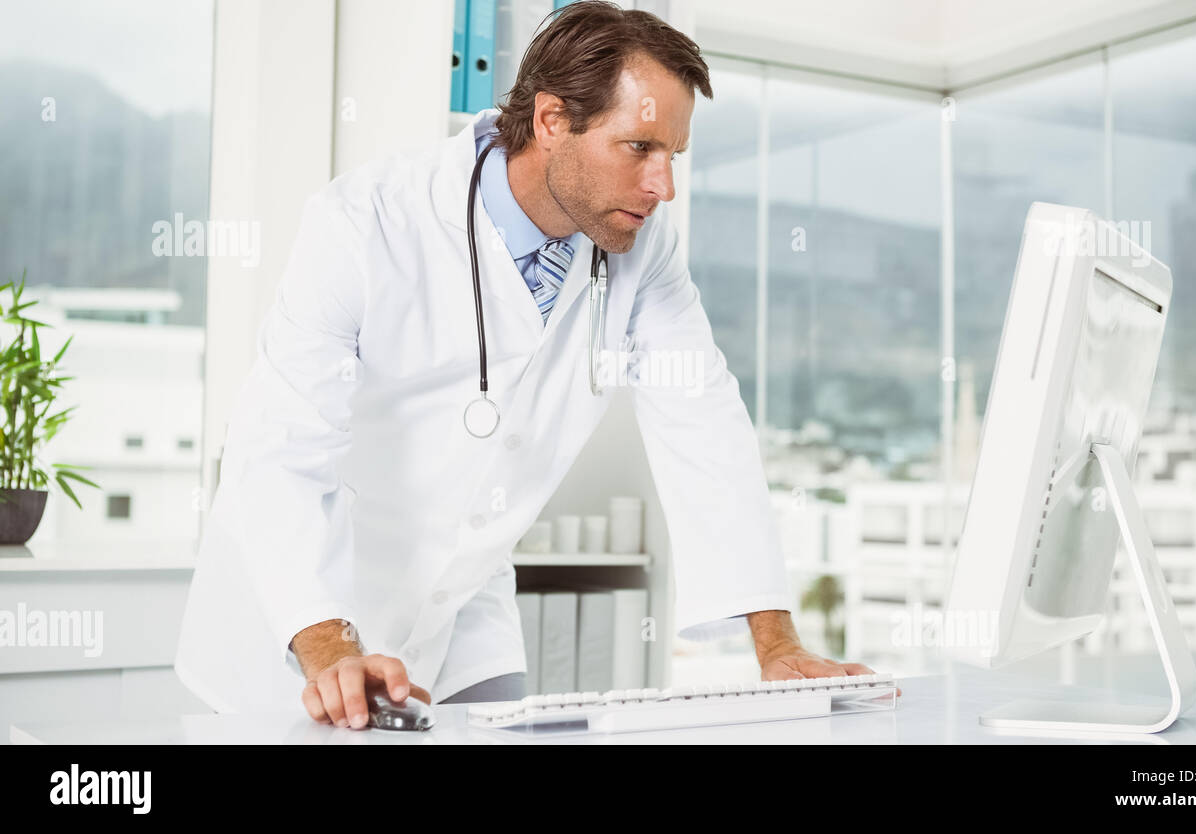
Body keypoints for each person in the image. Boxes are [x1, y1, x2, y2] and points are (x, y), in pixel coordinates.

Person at [175, 0, 881, 730]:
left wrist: (777, 643)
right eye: (640, 147)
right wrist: (327, 643)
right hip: (300, 610)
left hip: (463, 598)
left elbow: (706, 424)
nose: (662, 186)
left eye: (673, 155)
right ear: (551, 121)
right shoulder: (364, 222)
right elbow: (278, 450)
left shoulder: (643, 248)